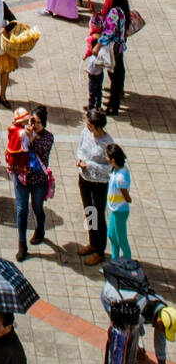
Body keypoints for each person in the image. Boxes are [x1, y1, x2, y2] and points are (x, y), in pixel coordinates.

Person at [9, 105, 54, 262]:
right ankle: (22, 245)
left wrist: (30, 137)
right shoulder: (22, 131)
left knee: (37, 207)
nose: (34, 125)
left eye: (38, 122)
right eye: (32, 121)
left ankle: (40, 228)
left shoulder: (48, 138)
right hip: (21, 178)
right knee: (22, 210)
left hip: (38, 180)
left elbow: (39, 150)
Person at [76, 108, 113, 266]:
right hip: (84, 178)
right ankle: (92, 242)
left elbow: (110, 168)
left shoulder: (108, 142)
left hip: (99, 183)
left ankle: (100, 251)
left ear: (98, 126)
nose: (87, 126)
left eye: (90, 124)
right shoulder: (85, 132)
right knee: (89, 212)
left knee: (98, 215)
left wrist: (90, 165)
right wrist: (80, 161)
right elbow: (80, 149)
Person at [106, 143, 132, 261]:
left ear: (113, 160)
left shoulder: (120, 178)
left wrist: (127, 199)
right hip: (114, 209)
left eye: (107, 156)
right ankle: (114, 262)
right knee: (112, 235)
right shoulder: (118, 169)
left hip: (120, 211)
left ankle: (128, 265)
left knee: (122, 240)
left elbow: (127, 197)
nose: (105, 158)